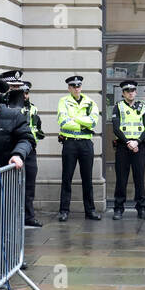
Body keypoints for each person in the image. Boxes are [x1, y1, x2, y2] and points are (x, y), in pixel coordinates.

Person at [57, 74, 101, 221]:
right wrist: (83, 122)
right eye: (74, 86)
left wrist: (74, 119)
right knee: (66, 178)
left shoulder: (90, 102)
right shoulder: (63, 101)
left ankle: (90, 211)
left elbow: (93, 122)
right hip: (69, 143)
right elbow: (63, 122)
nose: (77, 88)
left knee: (87, 179)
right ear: (69, 88)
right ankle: (64, 211)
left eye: (79, 86)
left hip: (86, 144)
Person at [111, 80, 145, 220]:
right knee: (121, 179)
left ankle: (142, 208)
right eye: (127, 91)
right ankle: (118, 209)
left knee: (139, 178)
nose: (131, 93)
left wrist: (137, 142)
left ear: (136, 92)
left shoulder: (144, 107)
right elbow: (116, 128)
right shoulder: (118, 107)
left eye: (133, 90)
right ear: (123, 93)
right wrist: (128, 142)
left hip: (138, 147)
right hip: (123, 146)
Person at [9, 77, 44, 227]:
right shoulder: (9, 107)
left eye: (27, 92)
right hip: (13, 150)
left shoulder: (33, 109)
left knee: (29, 185)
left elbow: (37, 126)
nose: (24, 95)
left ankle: (28, 217)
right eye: (22, 92)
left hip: (30, 150)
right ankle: (12, 216)